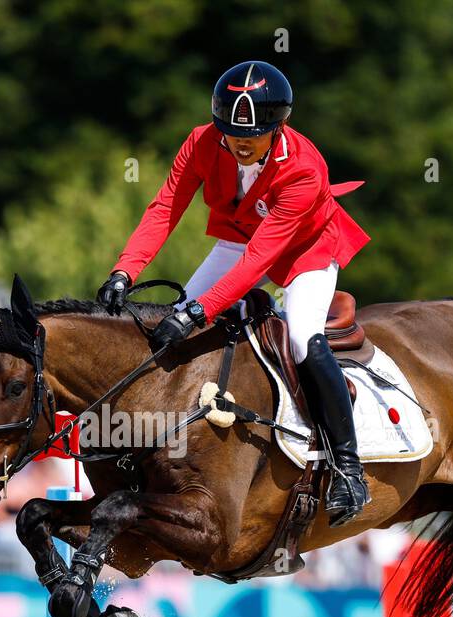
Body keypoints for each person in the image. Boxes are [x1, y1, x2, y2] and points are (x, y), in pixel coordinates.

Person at [96, 61, 371, 525]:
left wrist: (200, 309)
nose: (241, 142)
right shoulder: (202, 142)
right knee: (170, 331)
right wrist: (124, 270)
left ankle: (348, 467)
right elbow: (165, 208)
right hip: (239, 239)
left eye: (255, 134)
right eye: (231, 131)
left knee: (302, 336)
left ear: (279, 126)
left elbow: (260, 262)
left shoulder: (304, 168)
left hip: (304, 250)